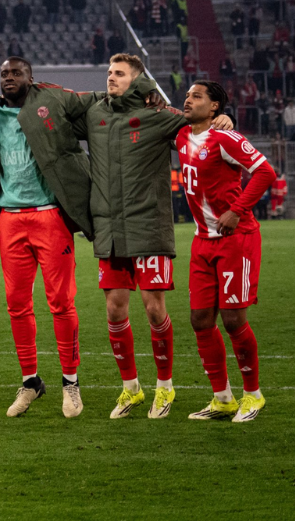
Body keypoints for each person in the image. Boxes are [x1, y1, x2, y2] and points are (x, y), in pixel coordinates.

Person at [0, 57, 95, 419]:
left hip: (50, 216)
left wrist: (145, 97)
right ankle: (31, 382)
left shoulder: (51, 101)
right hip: (10, 220)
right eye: (4, 73)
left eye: (15, 73)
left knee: (61, 303)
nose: (9, 78)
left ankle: (71, 383)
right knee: (17, 304)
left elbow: (95, 99)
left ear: (30, 77)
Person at [84, 53, 200, 420]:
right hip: (110, 230)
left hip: (148, 227)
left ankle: (165, 386)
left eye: (119, 73)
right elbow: (57, 100)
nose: (111, 78)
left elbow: (197, 124)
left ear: (137, 81)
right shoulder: (94, 112)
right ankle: (130, 388)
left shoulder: (159, 117)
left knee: (154, 309)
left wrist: (221, 118)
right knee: (114, 308)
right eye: (109, 72)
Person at [176, 81, 276, 423]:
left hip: (237, 238)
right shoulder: (179, 134)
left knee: (233, 320)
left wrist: (236, 208)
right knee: (200, 320)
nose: (188, 100)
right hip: (202, 240)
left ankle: (253, 395)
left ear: (215, 107)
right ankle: (222, 398)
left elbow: (265, 172)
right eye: (187, 95)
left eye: (197, 96)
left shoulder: (226, 139)